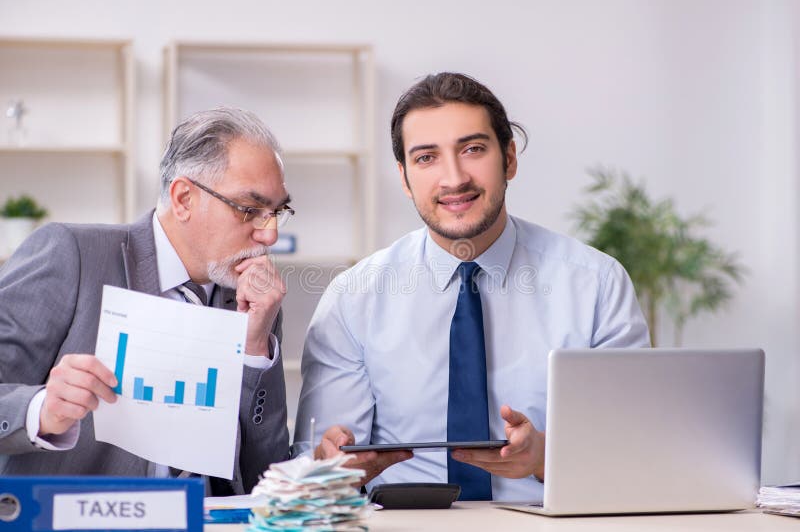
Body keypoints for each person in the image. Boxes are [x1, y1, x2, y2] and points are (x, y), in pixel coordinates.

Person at [294, 73, 650, 501]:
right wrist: (333, 470)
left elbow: (633, 454)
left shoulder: (596, 285)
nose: (454, 178)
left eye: (473, 149)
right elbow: (317, 469)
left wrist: (545, 458)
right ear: (405, 179)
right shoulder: (353, 298)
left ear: (509, 159)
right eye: (426, 158)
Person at [0, 107, 292, 494]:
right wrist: (40, 409)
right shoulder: (73, 255)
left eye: (277, 212)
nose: (269, 235)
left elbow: (265, 478)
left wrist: (256, 349)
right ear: (184, 198)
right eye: (250, 210)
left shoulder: (253, 304)